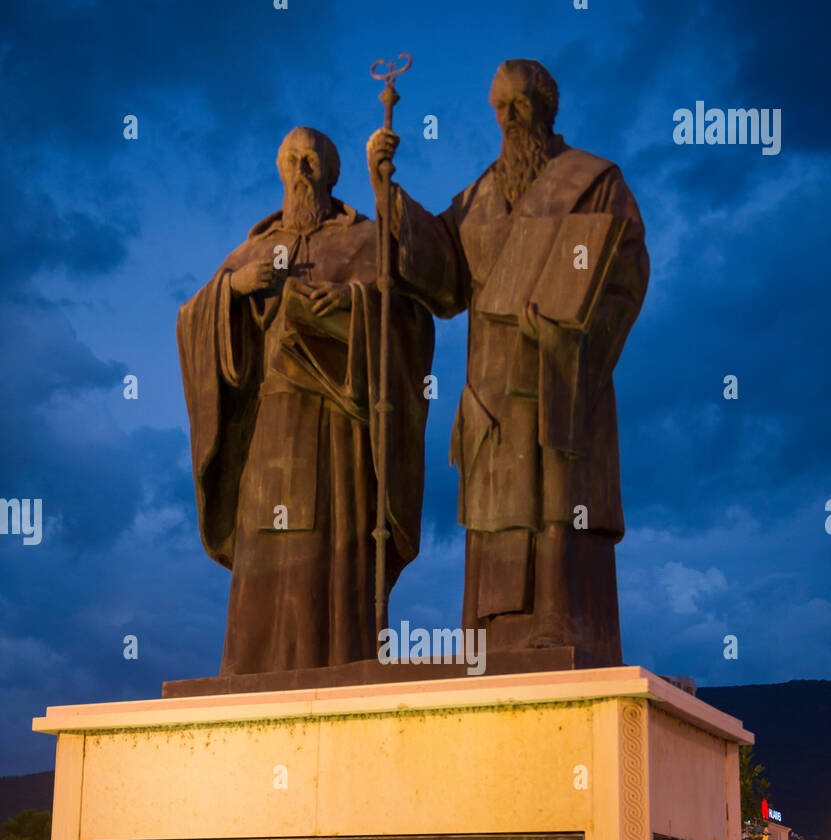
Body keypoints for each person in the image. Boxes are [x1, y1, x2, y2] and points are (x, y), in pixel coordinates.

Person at [368, 60, 649, 664]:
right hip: (491, 386)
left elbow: (624, 270)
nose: (508, 116)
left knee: (556, 500)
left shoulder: (594, 180)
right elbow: (441, 276)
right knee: (498, 512)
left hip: (559, 374)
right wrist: (388, 194)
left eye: (518, 103)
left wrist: (571, 324)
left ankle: (561, 623)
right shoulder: (477, 197)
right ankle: (489, 638)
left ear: (546, 107)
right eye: (499, 105)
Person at [178, 126, 433, 674]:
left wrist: (347, 304)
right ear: (279, 169)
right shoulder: (249, 250)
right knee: (265, 562)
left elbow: (411, 322)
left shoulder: (366, 242)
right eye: (293, 160)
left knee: (332, 566)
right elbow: (190, 321)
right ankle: (251, 676)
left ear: (332, 173)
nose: (302, 172)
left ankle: (340, 669)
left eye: (312, 161)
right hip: (267, 433)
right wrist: (236, 288)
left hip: (338, 430)